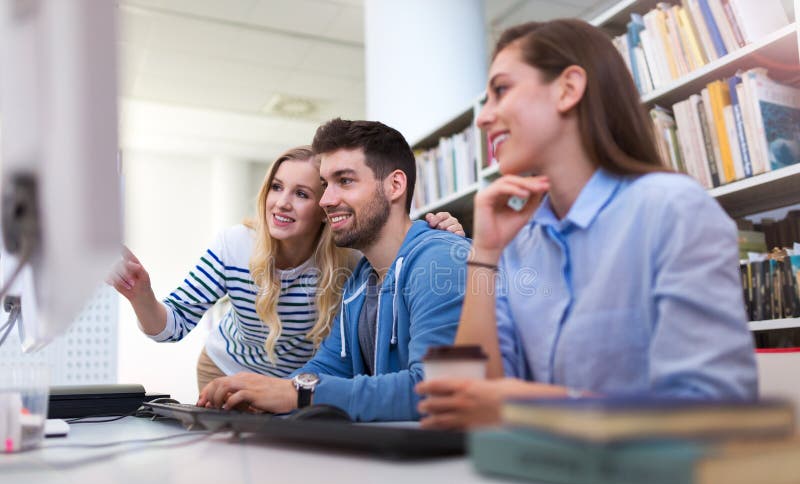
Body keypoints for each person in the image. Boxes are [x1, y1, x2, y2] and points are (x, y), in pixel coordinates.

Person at [416, 19, 758, 430]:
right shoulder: (518, 240)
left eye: (501, 90)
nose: (483, 118)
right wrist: (484, 254)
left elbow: (715, 412)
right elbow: (474, 401)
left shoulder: (673, 209)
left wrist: (527, 406)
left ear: (568, 89)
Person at [109, 145, 464, 392]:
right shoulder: (234, 246)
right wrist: (141, 296)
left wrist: (440, 232)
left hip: (299, 383)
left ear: (325, 208)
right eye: (276, 188)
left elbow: (400, 253)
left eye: (301, 194)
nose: (281, 203)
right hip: (226, 371)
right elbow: (171, 328)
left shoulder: (348, 261)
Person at [198, 119, 471, 421]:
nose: (325, 200)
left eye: (345, 181)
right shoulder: (360, 280)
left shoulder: (440, 262)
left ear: (395, 186)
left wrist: (298, 394)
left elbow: (437, 391)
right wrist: (261, 395)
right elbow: (329, 366)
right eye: (326, 184)